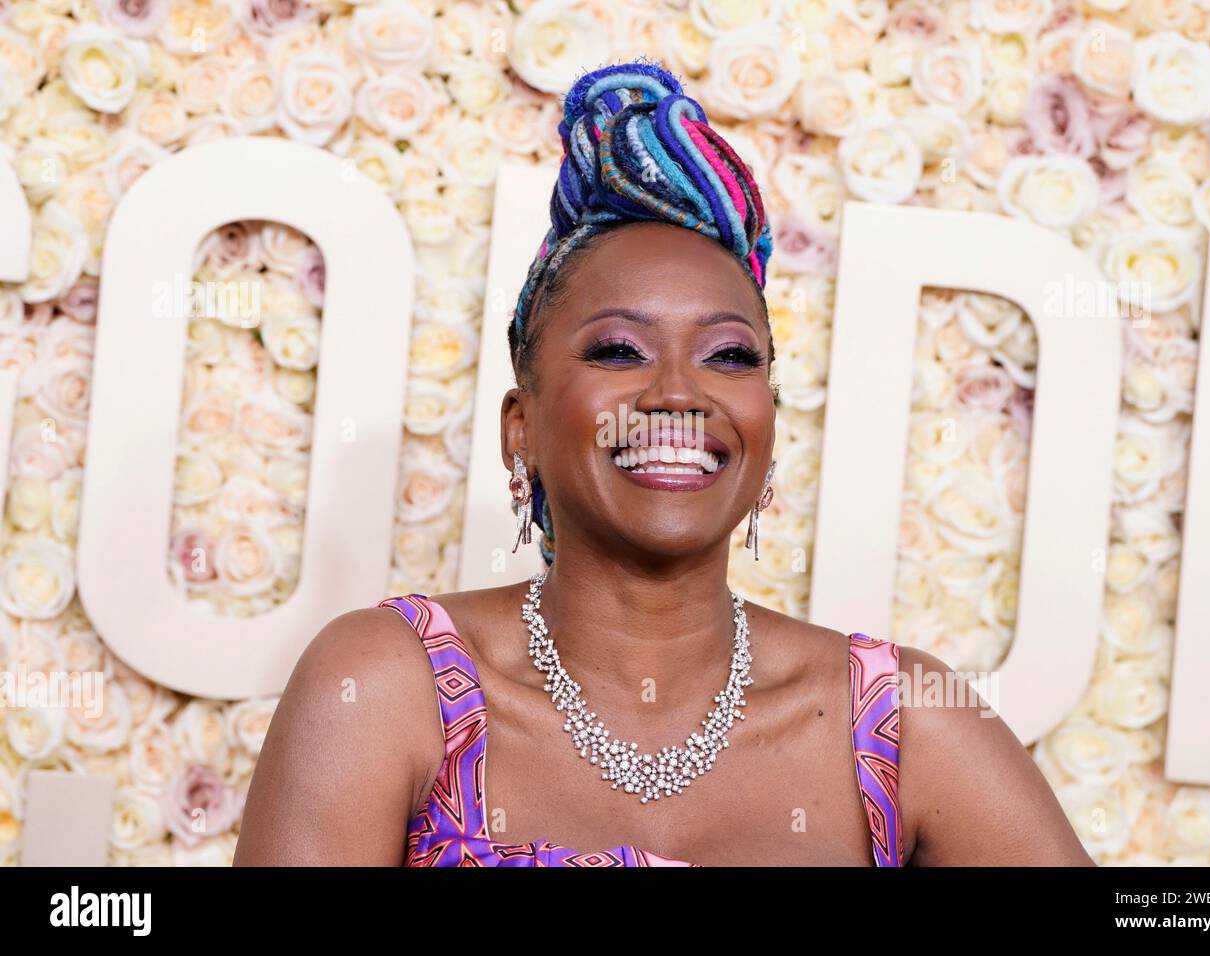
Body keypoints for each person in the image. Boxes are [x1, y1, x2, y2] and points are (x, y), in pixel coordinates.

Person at [234, 60, 1094, 867]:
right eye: (617, 350)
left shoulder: (901, 725)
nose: (679, 394)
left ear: (768, 429)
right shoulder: (387, 689)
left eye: (728, 357)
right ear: (520, 428)